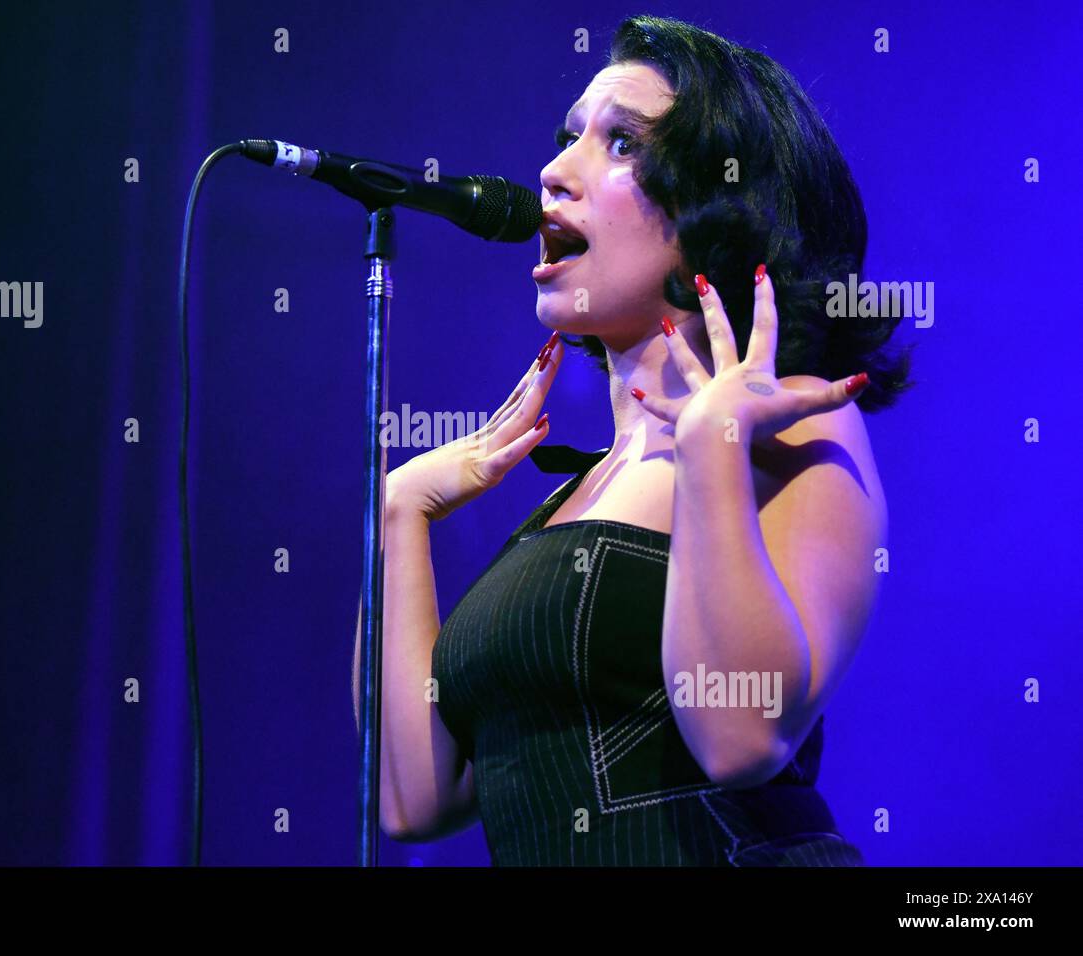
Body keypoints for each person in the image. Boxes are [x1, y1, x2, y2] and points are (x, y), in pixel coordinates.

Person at [353, 14, 913, 865]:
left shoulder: (798, 425)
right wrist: (401, 513)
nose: (551, 172)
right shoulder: (568, 497)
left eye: (620, 144)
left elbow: (740, 738)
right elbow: (410, 796)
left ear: (719, 206)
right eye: (568, 136)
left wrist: (713, 448)